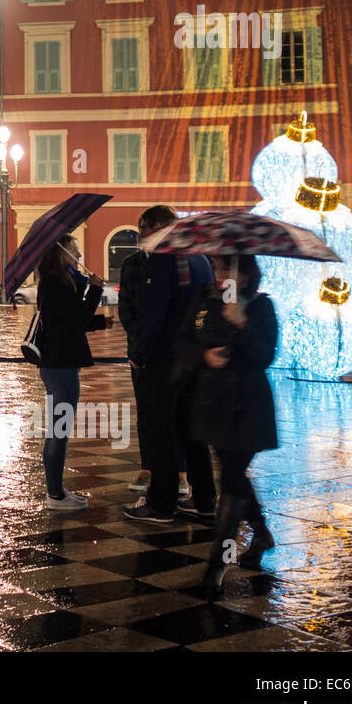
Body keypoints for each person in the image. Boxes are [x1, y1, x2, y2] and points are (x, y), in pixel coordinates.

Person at [174, 255, 279, 598]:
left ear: (246, 278)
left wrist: (243, 325)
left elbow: (265, 356)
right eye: (219, 270)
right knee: (233, 474)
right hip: (212, 404)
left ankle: (217, 565)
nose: (221, 277)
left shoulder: (261, 307)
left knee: (231, 479)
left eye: (229, 271)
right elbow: (183, 342)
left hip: (247, 405)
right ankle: (260, 533)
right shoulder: (205, 302)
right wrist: (204, 357)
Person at [123, 207, 214, 524]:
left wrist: (139, 354)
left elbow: (154, 313)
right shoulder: (200, 258)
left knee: (158, 430)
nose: (142, 235)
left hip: (162, 359)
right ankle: (205, 500)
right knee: (192, 432)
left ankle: (161, 505)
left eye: (143, 228)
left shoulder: (162, 257)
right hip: (193, 359)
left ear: (157, 226)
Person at [34, 234, 112, 509]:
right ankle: (54, 494)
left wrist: (101, 321)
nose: (79, 255)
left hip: (60, 363)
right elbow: (76, 320)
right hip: (60, 366)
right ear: (61, 254)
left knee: (59, 429)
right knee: (58, 431)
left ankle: (56, 491)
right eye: (75, 251)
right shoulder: (56, 284)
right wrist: (94, 290)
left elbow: (69, 321)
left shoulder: (61, 283)